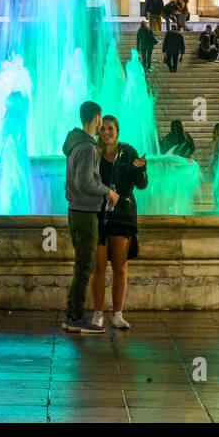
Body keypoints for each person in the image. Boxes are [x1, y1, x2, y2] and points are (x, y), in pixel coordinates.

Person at [62, 101, 117, 334]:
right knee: (85, 266)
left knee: (82, 265)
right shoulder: (86, 147)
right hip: (85, 213)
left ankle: (72, 313)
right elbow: (85, 183)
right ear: (96, 117)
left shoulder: (77, 144)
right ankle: (75, 317)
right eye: (100, 118)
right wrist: (108, 191)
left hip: (77, 211)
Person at [90, 114, 148, 330]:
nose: (106, 132)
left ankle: (117, 314)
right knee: (98, 266)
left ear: (117, 131)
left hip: (122, 214)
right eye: (103, 128)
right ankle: (97, 314)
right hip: (99, 214)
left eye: (110, 129)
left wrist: (141, 169)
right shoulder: (94, 153)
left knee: (120, 266)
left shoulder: (128, 152)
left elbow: (141, 185)